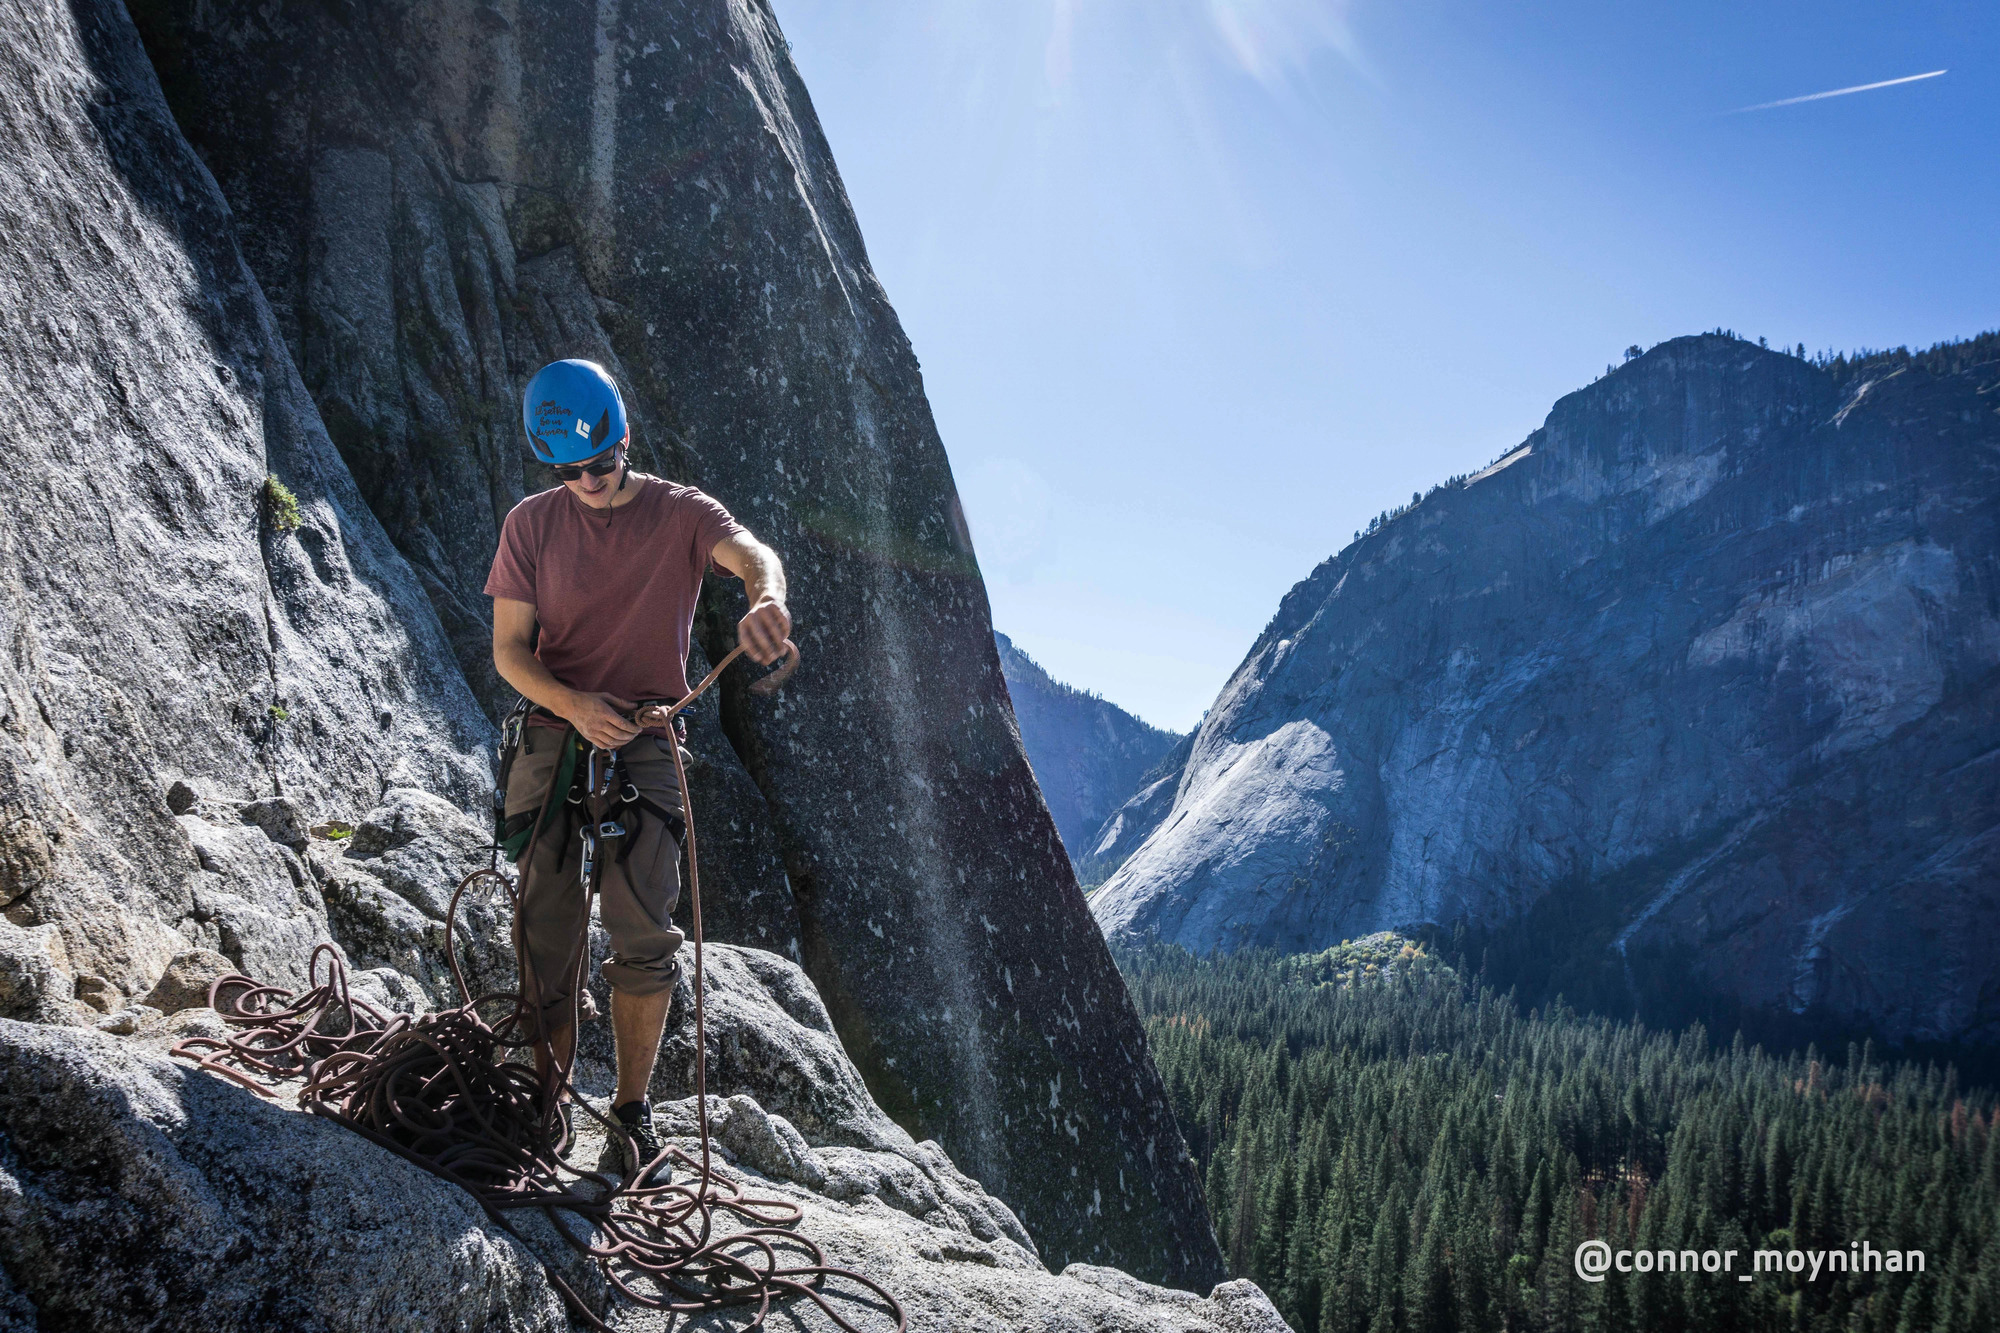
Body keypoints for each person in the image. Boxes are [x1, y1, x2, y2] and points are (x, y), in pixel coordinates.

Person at [483, 358, 791, 1181]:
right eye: (569, 470)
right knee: (545, 923)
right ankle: (541, 1098)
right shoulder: (531, 524)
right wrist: (577, 705)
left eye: (601, 463)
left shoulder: (680, 512)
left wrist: (766, 598)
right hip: (555, 726)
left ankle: (629, 1111)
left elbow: (751, 552)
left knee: (643, 933)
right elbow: (510, 652)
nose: (587, 481)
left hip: (647, 738)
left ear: (624, 440)